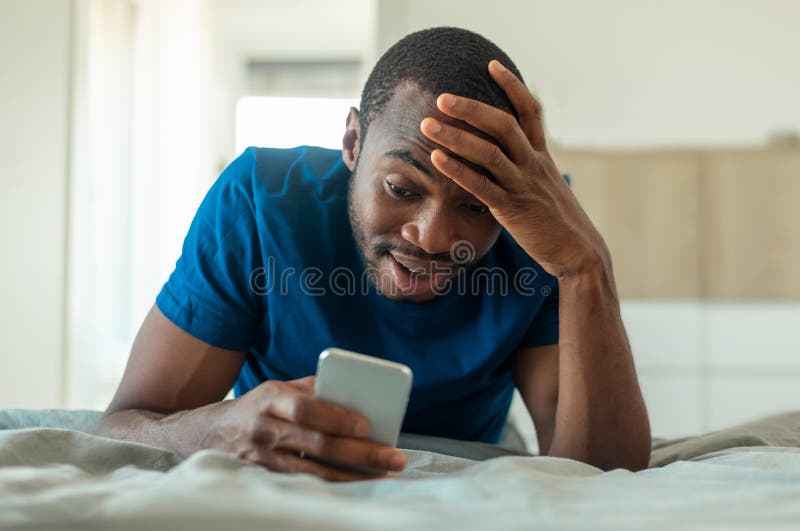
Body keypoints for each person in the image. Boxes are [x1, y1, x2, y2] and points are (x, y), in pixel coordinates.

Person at [94, 27, 651, 481]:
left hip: (473, 463)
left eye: (475, 205)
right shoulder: (259, 205)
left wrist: (586, 264)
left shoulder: (536, 229)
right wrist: (218, 429)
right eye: (402, 189)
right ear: (353, 143)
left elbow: (600, 471)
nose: (431, 238)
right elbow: (122, 426)